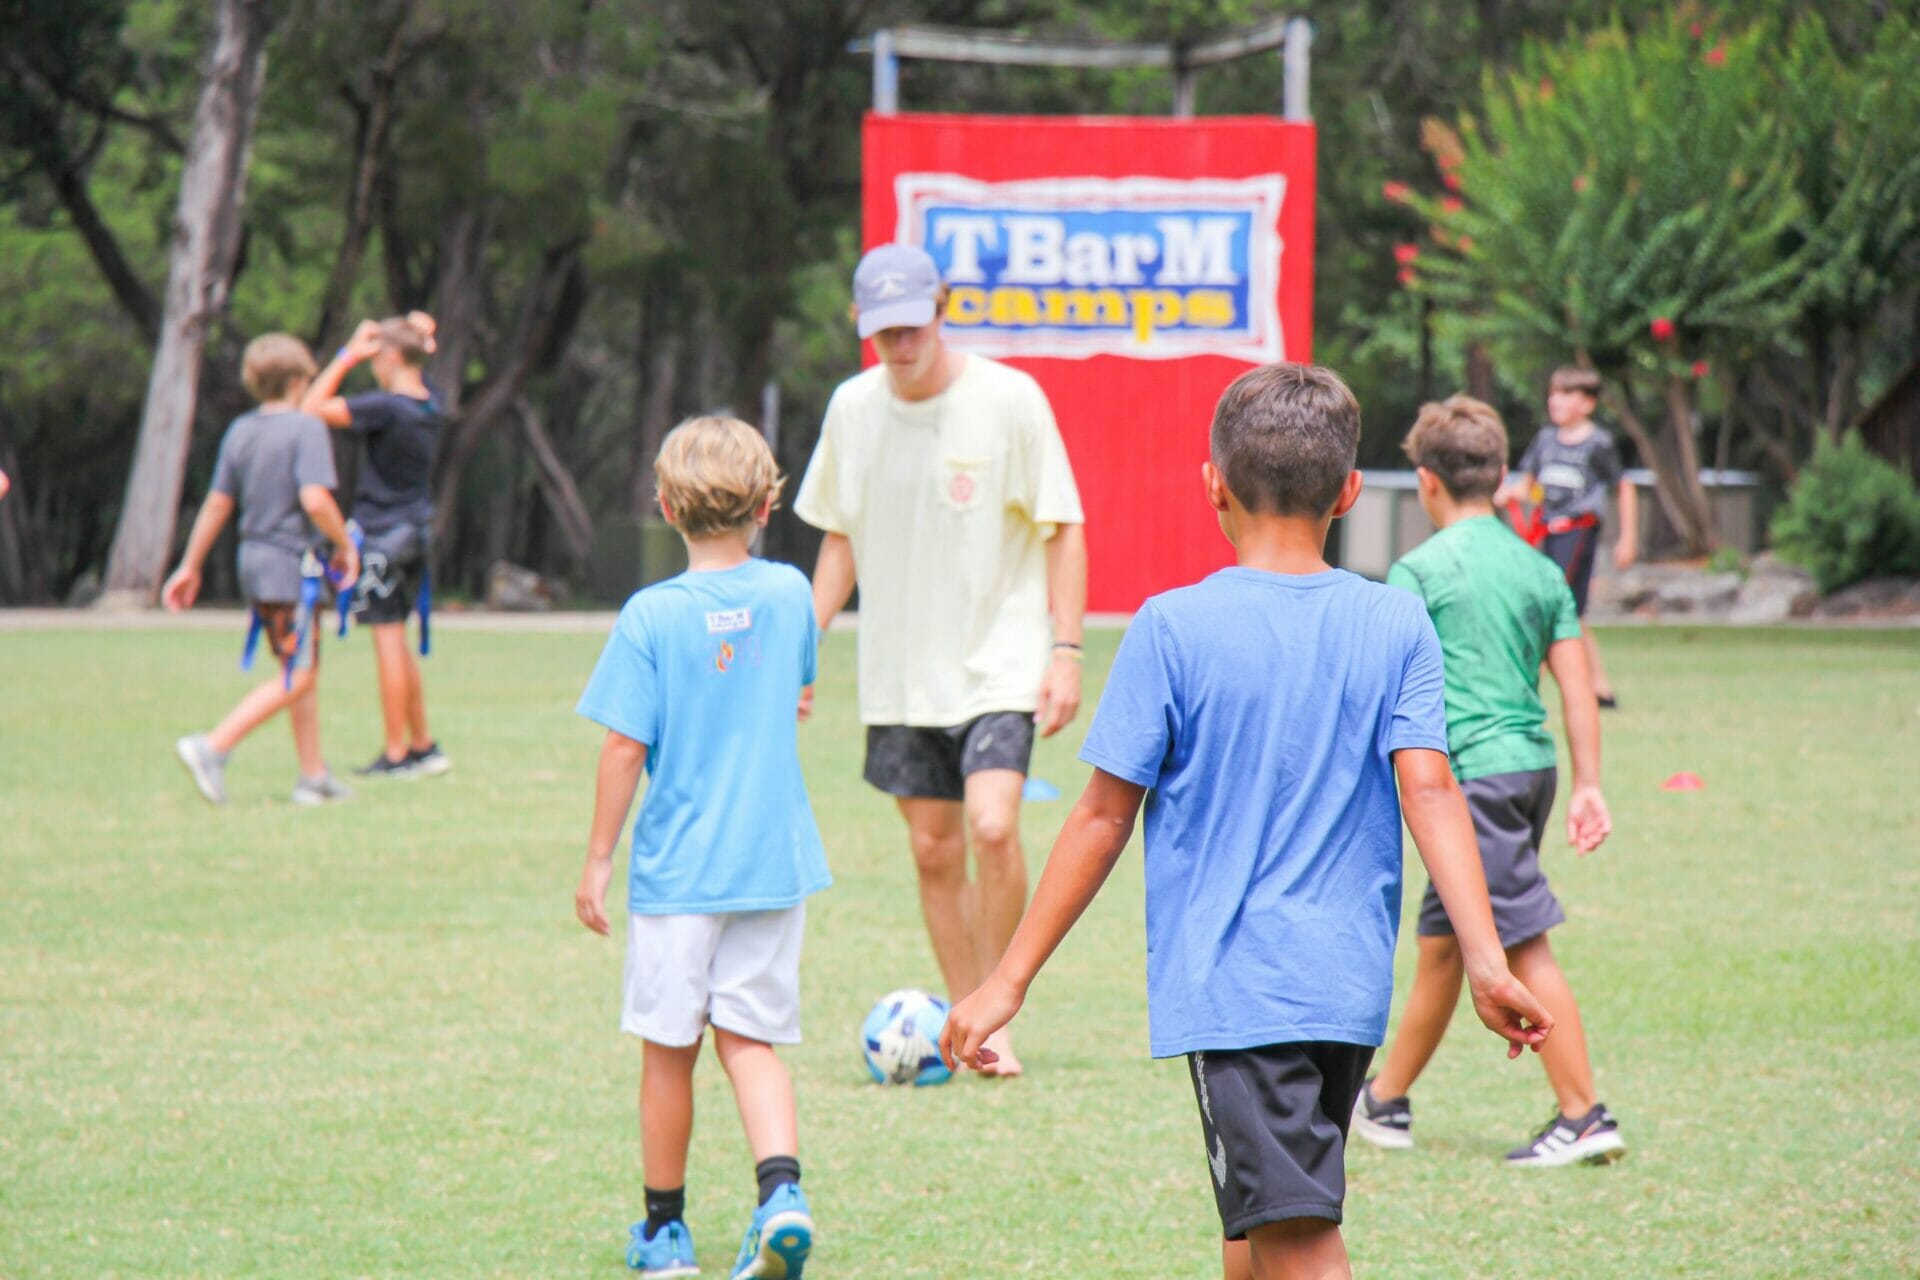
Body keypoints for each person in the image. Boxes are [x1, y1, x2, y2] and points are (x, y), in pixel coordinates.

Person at [942, 363, 1553, 1280]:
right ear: (1350, 492)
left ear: (1212, 486)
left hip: (1240, 993)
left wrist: (1007, 979)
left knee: (1298, 1240)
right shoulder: (1394, 623)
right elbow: (1432, 793)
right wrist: (1487, 959)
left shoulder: (1170, 627)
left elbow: (1104, 817)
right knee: (1256, 1229)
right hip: (1344, 990)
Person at [794, 242, 1087, 1079]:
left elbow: (1064, 526)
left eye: (912, 325)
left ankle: (996, 1004)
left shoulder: (1009, 400)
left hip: (1001, 658)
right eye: (882, 330)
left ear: (943, 307)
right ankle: (968, 1028)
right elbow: (838, 536)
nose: (899, 344)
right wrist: (803, 646)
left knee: (994, 824)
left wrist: (1065, 651)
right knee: (933, 849)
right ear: (863, 326)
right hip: (899, 670)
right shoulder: (852, 409)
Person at [574, 417, 829, 1280]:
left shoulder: (650, 615)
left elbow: (623, 748)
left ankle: (664, 1231)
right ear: (767, 504)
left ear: (663, 504)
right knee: (750, 1040)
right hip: (771, 865)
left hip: (680, 874)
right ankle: (781, 1194)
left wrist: (600, 857)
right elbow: (793, 685)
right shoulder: (793, 593)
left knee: (668, 1050)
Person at [1352, 394, 1624, 1168]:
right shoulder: (1539, 568)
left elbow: (1385, 682)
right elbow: (1576, 684)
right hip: (1531, 770)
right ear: (1505, 476)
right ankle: (1385, 1100)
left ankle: (1584, 1114)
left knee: (1515, 939)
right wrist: (1589, 784)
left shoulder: (1418, 570)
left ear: (1425, 480)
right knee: (1447, 940)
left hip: (1472, 781)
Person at [164, 334, 360, 807]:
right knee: (301, 674)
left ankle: (312, 776)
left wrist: (189, 565)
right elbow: (315, 499)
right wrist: (344, 543)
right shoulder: (306, 429)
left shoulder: (241, 431)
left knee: (297, 663)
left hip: (254, 562)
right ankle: (213, 747)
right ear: (297, 381)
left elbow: (216, 504)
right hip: (290, 566)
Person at [301, 311, 451, 777]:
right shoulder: (431, 403)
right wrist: (418, 332)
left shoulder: (386, 408)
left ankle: (396, 753)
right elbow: (419, 354)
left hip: (384, 536)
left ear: (388, 355)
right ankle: (423, 745)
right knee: (398, 639)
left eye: (376, 358)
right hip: (417, 530)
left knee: (386, 640)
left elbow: (310, 409)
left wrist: (346, 355)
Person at [1495, 366, 1637, 707]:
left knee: (1550, 604)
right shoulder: (1545, 439)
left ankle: (1528, 687)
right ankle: (1600, 686)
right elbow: (1529, 485)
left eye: (1565, 394)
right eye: (1553, 392)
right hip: (1546, 533)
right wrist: (1509, 494)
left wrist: (1628, 537)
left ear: (1587, 403)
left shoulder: (1598, 442)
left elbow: (1624, 486)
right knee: (1573, 611)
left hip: (1578, 533)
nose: (1555, 400)